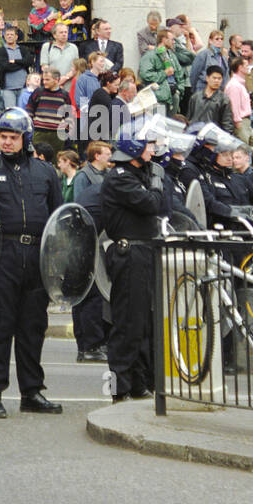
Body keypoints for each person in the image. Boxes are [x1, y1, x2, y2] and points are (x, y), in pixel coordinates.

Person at [0, 109, 65, 418]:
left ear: (26, 139)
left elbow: (57, 216)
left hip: (36, 256)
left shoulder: (46, 172)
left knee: (33, 327)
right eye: (3, 137)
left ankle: (32, 392)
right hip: (0, 255)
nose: (7, 143)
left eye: (13, 137)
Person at [101, 122, 169, 399]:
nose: (152, 150)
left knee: (142, 323)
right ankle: (119, 387)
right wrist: (155, 182)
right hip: (129, 254)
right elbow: (152, 204)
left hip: (144, 252)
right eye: (148, 146)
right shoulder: (120, 177)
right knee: (127, 322)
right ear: (134, 149)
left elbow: (163, 207)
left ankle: (139, 382)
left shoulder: (136, 173)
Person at [26, 67, 72, 154]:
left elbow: (68, 116)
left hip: (57, 135)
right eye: (43, 79)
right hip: (39, 133)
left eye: (47, 80)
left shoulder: (64, 95)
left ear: (56, 80)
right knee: (37, 159)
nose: (44, 82)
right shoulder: (38, 92)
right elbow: (29, 110)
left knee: (55, 161)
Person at [140, 30, 183, 114]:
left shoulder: (172, 56)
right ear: (164, 39)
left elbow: (180, 74)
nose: (174, 42)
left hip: (174, 95)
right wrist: (164, 73)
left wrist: (179, 90)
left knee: (173, 124)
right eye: (172, 39)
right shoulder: (150, 56)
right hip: (159, 97)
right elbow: (146, 75)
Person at [187, 64, 235, 133]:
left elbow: (227, 122)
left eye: (219, 79)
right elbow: (189, 118)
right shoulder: (195, 97)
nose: (216, 81)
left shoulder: (224, 99)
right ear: (207, 78)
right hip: (195, 133)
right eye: (214, 78)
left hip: (213, 136)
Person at [0, 23, 30, 112]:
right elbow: (5, 66)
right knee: (11, 113)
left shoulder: (23, 49)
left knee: (23, 112)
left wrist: (15, 61)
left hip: (23, 87)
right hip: (8, 89)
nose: (9, 37)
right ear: (4, 37)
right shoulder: (1, 51)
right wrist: (21, 64)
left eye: (12, 35)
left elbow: (29, 61)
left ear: (16, 37)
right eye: (7, 35)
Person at [40, 21, 79, 88]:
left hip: (70, 86)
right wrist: (56, 80)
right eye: (61, 32)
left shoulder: (73, 47)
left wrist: (65, 78)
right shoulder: (47, 47)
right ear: (54, 35)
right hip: (53, 85)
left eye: (66, 32)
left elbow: (76, 68)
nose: (64, 34)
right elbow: (44, 67)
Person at [189, 30, 229, 94]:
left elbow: (226, 76)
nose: (220, 41)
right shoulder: (203, 54)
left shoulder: (223, 57)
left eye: (221, 39)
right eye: (217, 39)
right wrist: (195, 90)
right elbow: (194, 74)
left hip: (218, 91)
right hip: (203, 89)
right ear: (210, 41)